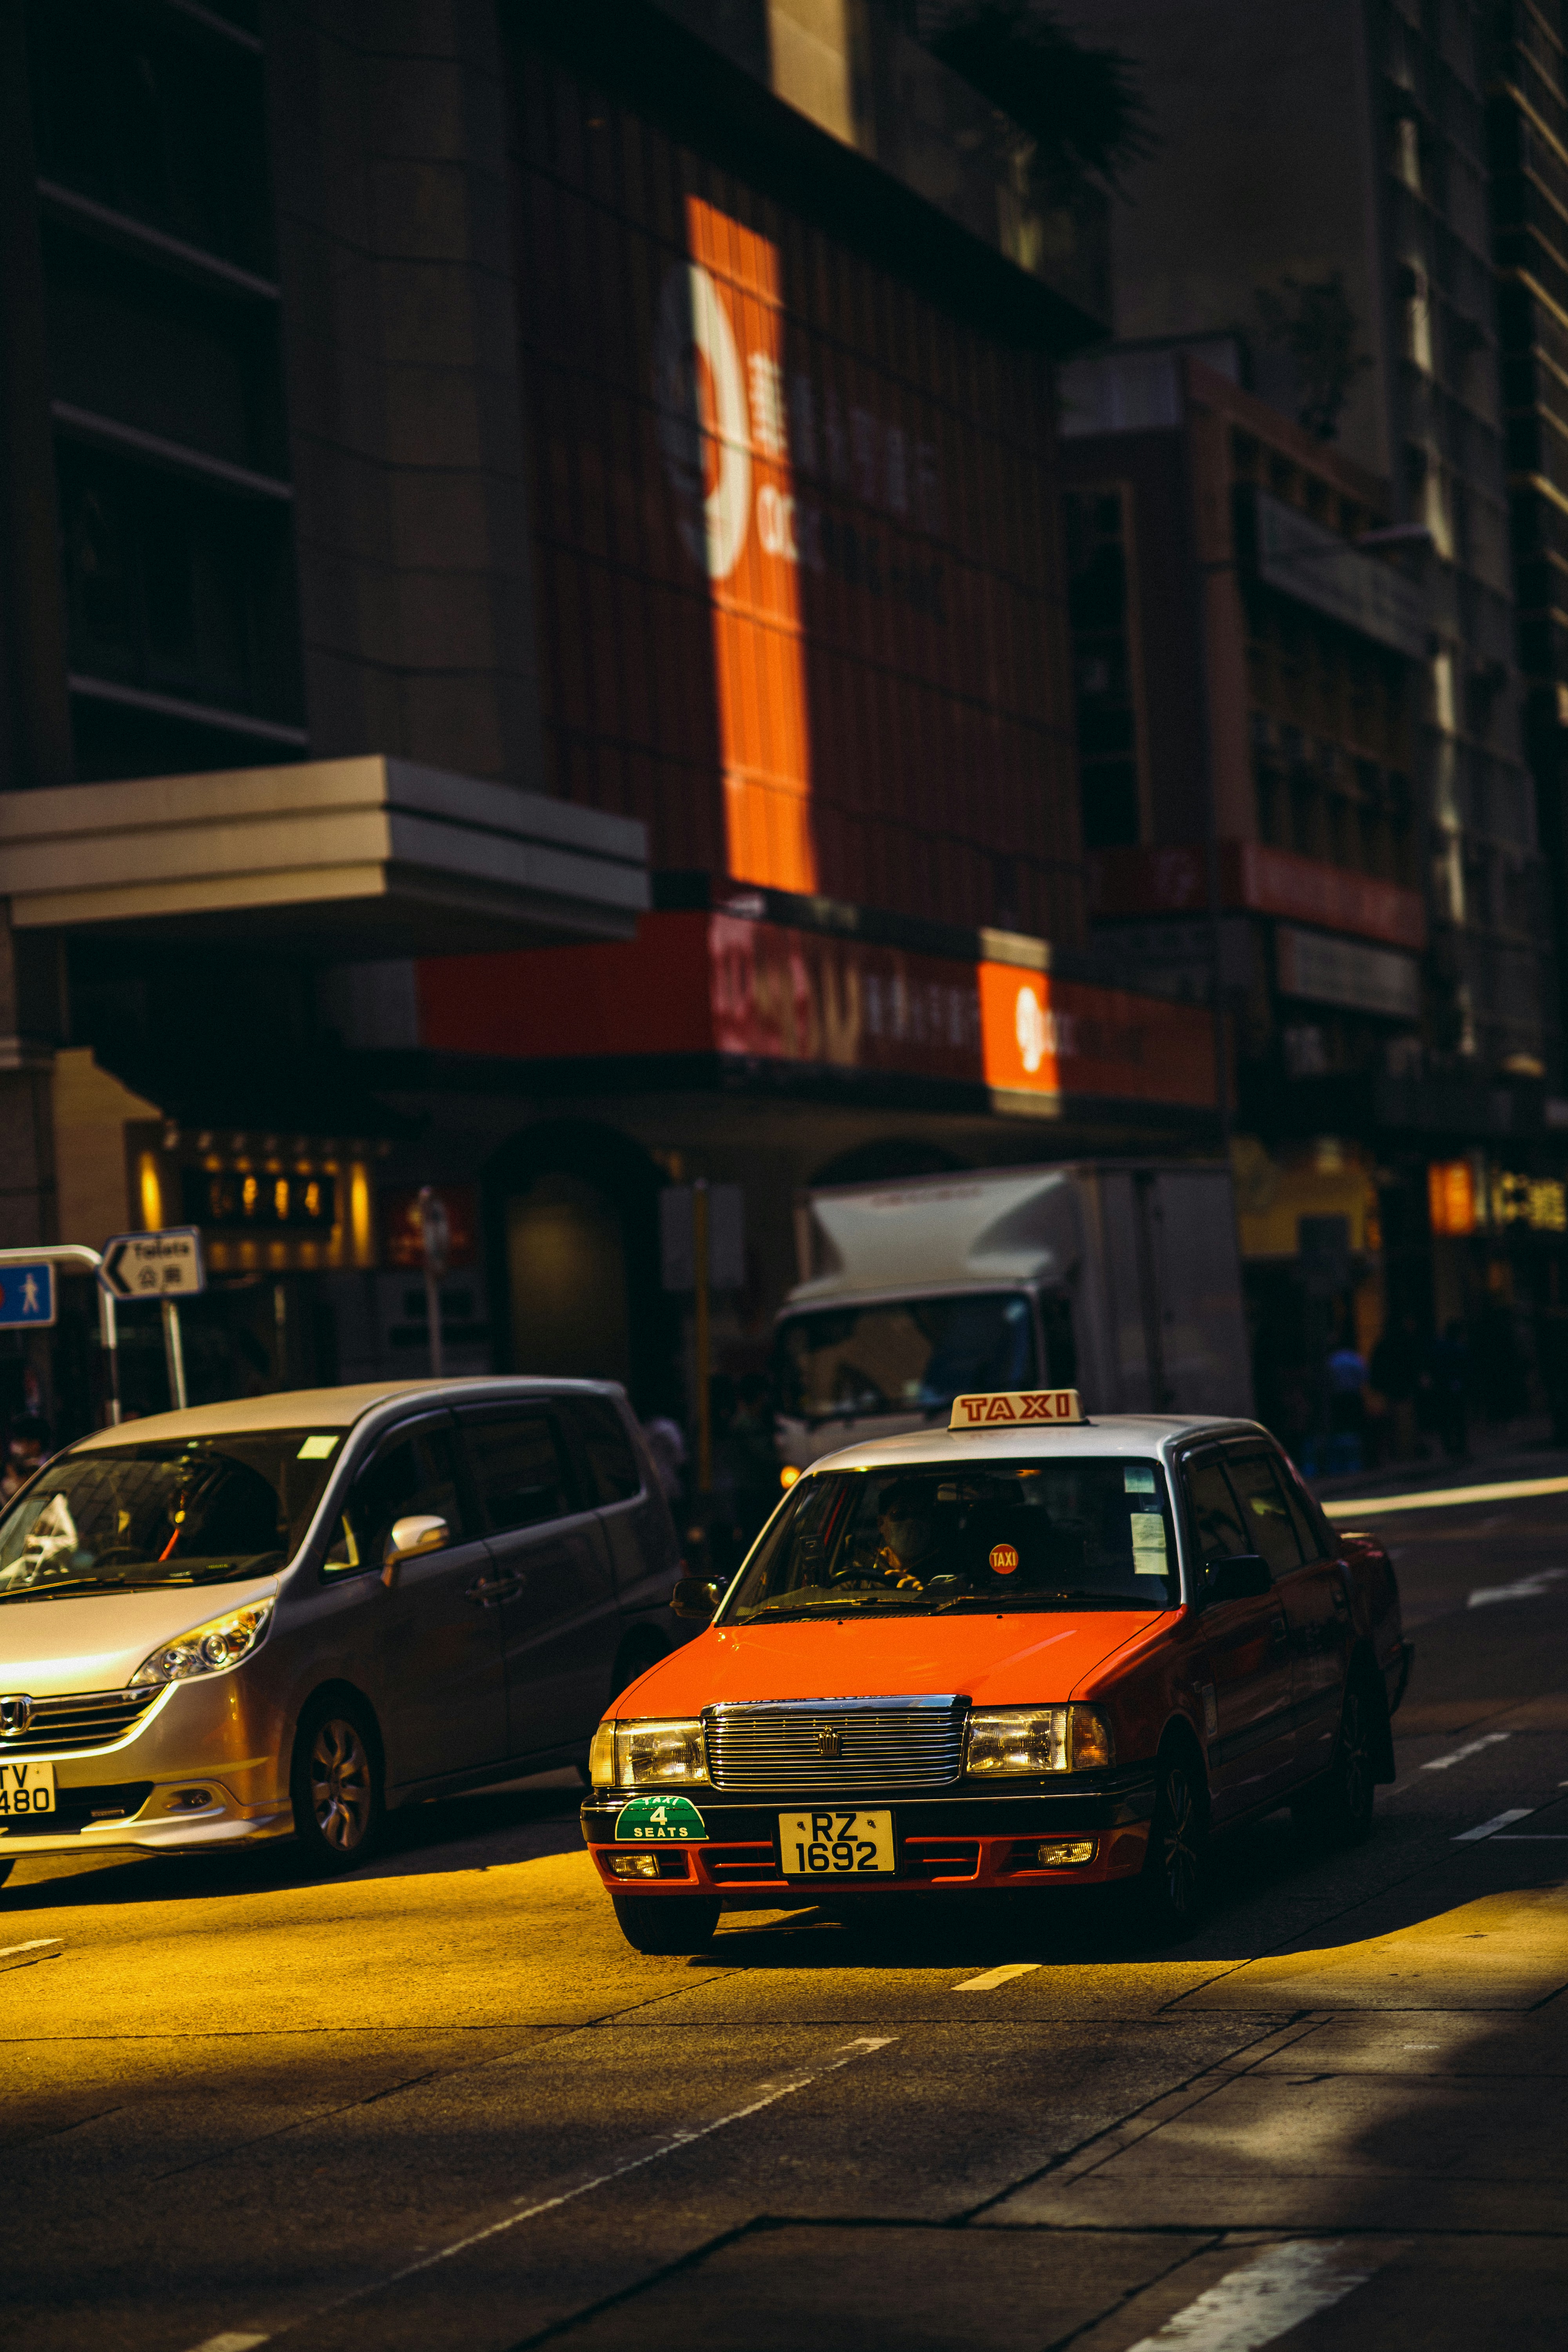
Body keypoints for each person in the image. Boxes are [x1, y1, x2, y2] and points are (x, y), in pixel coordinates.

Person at [1368, 1311, 1425, 1465]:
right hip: (1402, 1390)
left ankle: (1399, 1455)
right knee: (1405, 1423)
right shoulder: (1406, 1343)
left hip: (1390, 1390)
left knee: (1393, 1424)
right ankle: (1406, 1455)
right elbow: (1414, 1365)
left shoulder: (1384, 1345)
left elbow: (1376, 1369)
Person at [1429, 1319, 1470, 1459]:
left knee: (1445, 1418)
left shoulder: (1438, 1347)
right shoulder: (1458, 1348)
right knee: (1458, 1417)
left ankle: (1449, 1447)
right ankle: (1460, 1446)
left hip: (1441, 1386)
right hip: (1454, 1386)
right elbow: (1466, 1367)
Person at [0, 1414, 51, 1504]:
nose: (15, 1445)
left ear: (36, 1445)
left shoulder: (48, 1469)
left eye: (20, 1441)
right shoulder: (17, 1467)